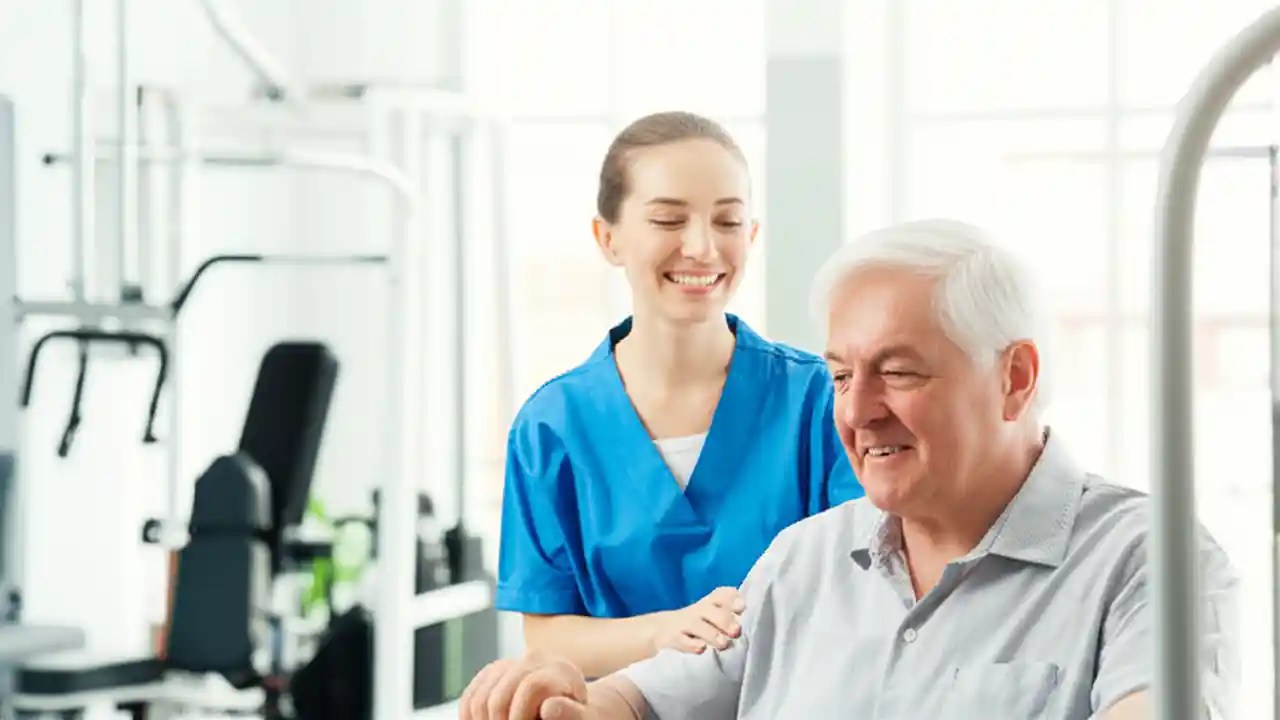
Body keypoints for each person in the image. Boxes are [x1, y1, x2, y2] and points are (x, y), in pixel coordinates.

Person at [462, 219, 1240, 719]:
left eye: (899, 372)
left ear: (1015, 378)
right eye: (840, 376)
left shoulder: (1148, 562)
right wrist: (561, 700)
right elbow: (642, 703)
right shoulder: (803, 559)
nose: (857, 412)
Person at [493, 111, 864, 680]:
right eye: (668, 219)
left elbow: (866, 587)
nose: (701, 247)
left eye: (728, 222)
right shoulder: (554, 426)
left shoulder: (817, 401)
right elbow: (547, 636)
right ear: (607, 237)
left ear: (753, 235)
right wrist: (663, 631)